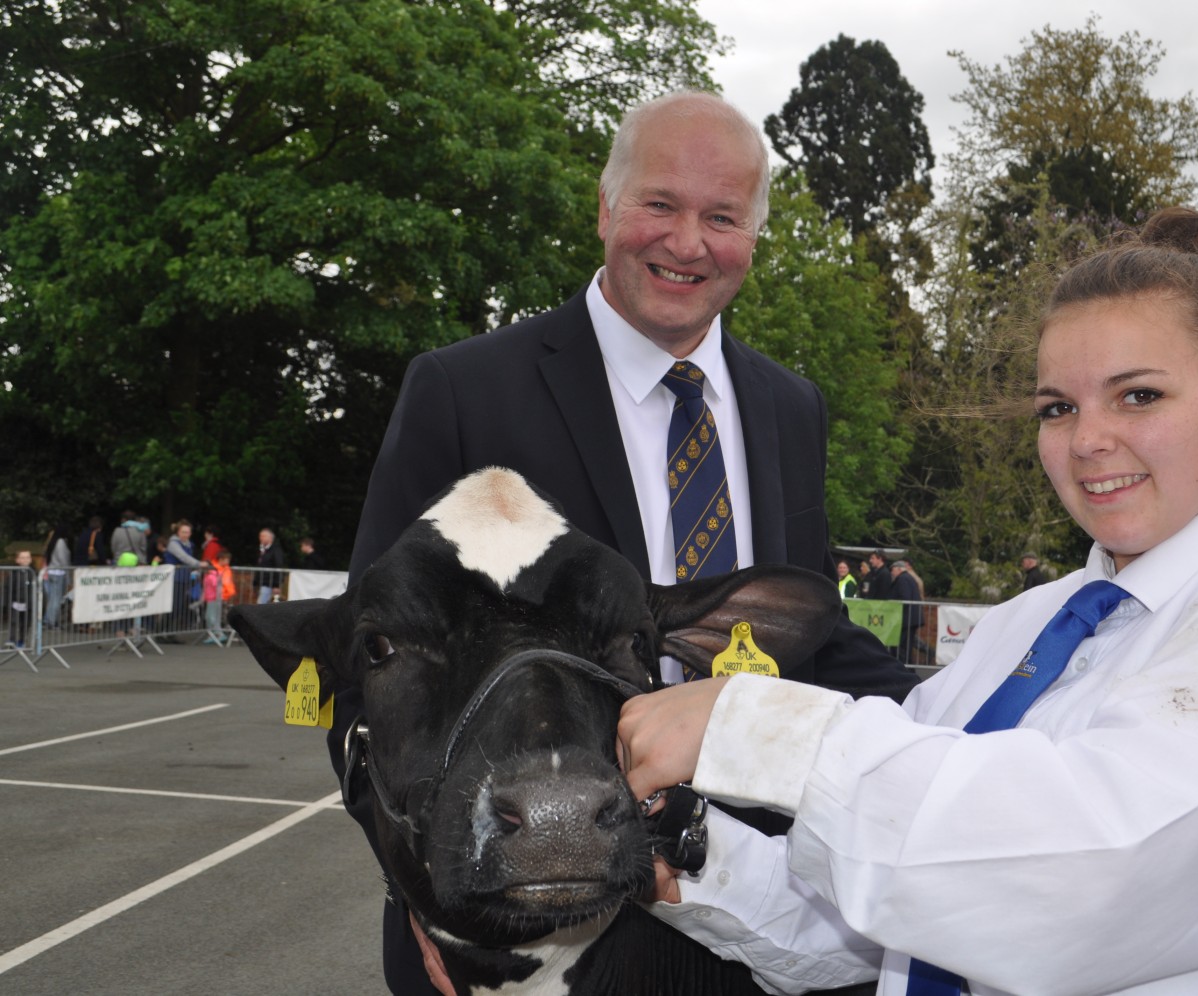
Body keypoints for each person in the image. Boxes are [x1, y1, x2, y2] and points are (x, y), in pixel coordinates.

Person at [618, 207, 1198, 995]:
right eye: (1057, 408)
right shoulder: (1022, 630)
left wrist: (761, 729)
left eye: (1138, 396)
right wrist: (673, 848)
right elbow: (891, 910)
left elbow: (1089, 879)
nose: (1088, 439)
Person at [338, 89, 917, 994]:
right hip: (539, 929)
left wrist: (974, 727)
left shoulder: (788, 406)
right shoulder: (463, 391)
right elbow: (369, 654)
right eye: (660, 205)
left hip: (763, 905)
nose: (688, 243)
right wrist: (431, 902)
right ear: (607, 208)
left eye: (721, 217)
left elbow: (816, 636)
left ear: (753, 238)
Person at [888, 559, 924, 665]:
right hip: (911, 618)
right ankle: (908, 669)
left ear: (899, 569)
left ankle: (905, 669)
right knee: (907, 646)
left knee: (903, 647)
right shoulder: (908, 578)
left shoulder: (902, 579)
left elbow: (905, 598)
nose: (891, 572)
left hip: (906, 618)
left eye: (893, 569)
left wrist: (892, 606)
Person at [41, 527, 72, 629]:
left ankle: (48, 620)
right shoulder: (60, 542)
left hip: (50, 572)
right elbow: (63, 559)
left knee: (52, 598)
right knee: (56, 599)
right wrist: (68, 572)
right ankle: (50, 621)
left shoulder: (52, 542)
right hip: (58, 573)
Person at [201, 549, 234, 643]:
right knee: (213, 616)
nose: (228, 562)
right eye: (227, 559)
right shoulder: (215, 569)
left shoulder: (218, 570)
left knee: (212, 616)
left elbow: (223, 583)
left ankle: (217, 634)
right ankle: (215, 634)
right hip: (216, 596)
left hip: (217, 596)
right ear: (221, 559)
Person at [5, 548, 36, 649]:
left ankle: (22, 640)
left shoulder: (34, 573)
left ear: (31, 559)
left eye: (27, 557)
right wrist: (7, 602)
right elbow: (8, 588)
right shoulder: (13, 573)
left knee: (25, 624)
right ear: (17, 560)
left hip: (29, 603)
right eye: (22, 558)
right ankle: (11, 639)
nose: (25, 560)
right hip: (16, 602)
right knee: (14, 621)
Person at [252, 528, 284, 604]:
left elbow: (278, 566)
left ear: (270, 538)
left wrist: (276, 584)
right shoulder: (262, 549)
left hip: (268, 583)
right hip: (262, 582)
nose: (261, 538)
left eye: (263, 536)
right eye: (260, 536)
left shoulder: (275, 550)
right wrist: (255, 582)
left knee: (261, 604)